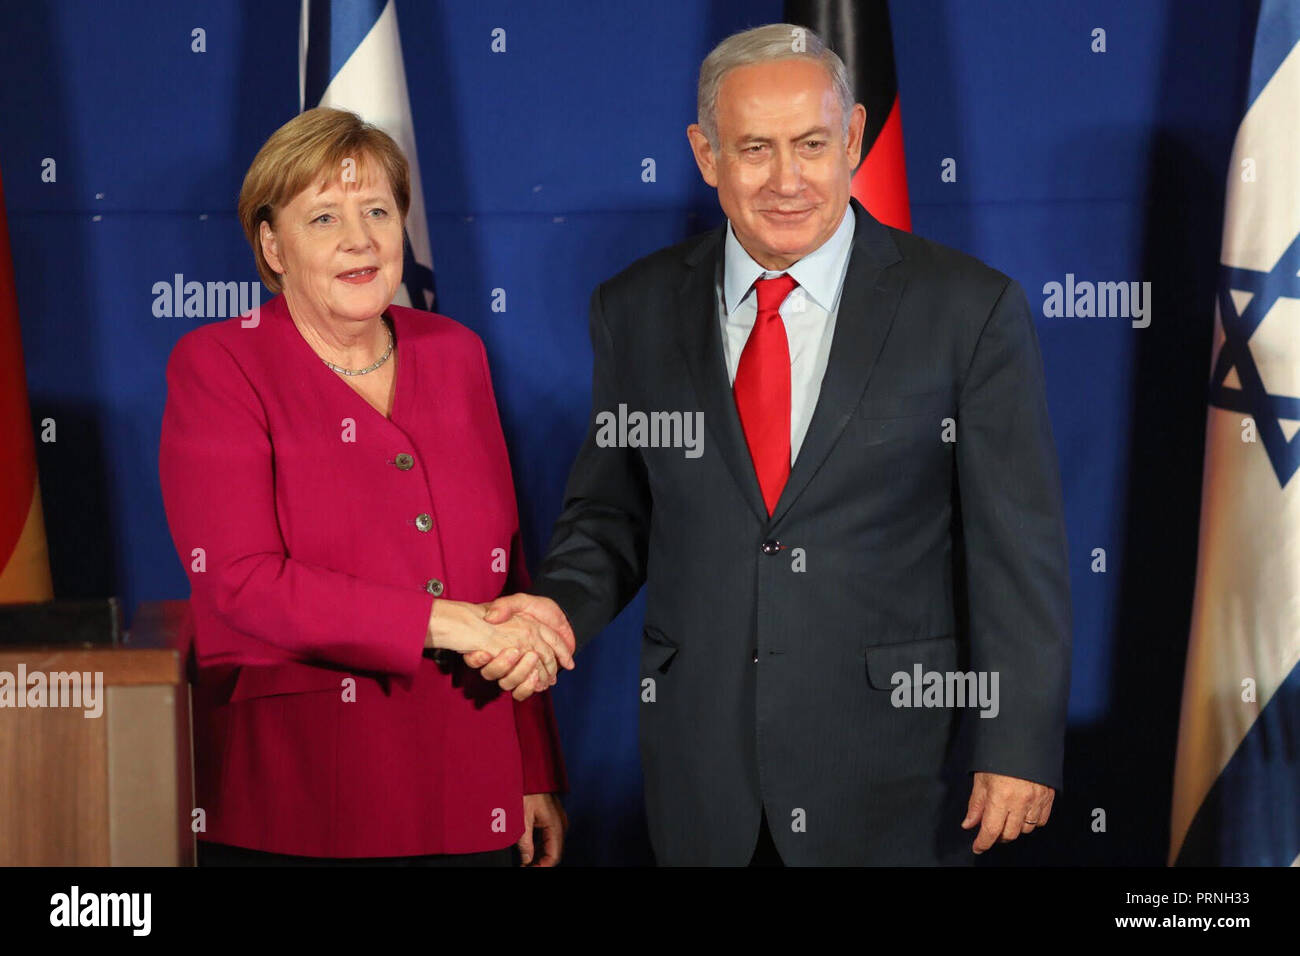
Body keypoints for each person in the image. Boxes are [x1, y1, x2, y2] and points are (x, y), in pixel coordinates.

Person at [481, 24, 1072, 865]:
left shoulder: (966, 310)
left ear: (855, 140)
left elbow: (1021, 550)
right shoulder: (636, 308)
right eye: (755, 148)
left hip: (894, 770)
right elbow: (613, 515)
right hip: (703, 771)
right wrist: (556, 609)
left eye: (812, 145)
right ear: (705, 153)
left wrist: (1016, 743)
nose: (787, 180)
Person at [159, 107, 573, 866]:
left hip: (470, 780)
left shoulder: (455, 352)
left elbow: (504, 572)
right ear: (272, 244)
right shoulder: (218, 362)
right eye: (324, 216)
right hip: (301, 796)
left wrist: (529, 768)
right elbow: (242, 584)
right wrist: (448, 623)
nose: (360, 238)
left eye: (377, 210)